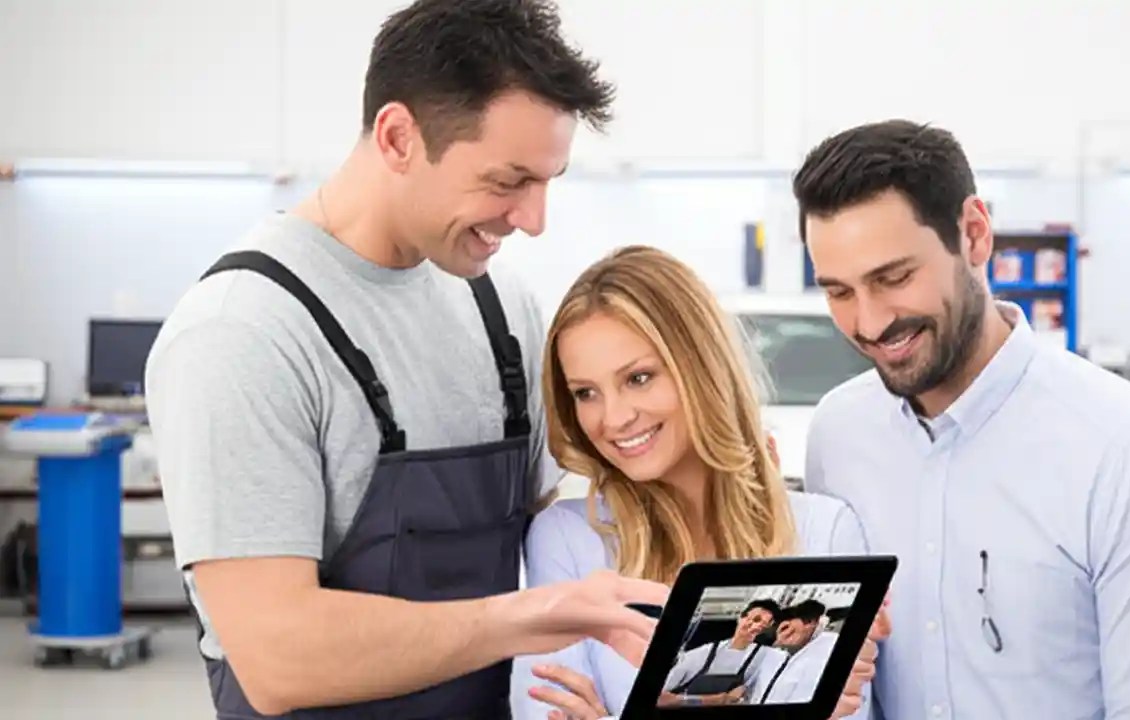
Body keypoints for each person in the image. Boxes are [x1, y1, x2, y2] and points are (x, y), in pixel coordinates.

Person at [144, 2, 668, 718]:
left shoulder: (501, 307)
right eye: (507, 180)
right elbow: (275, 658)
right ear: (397, 138)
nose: (535, 220)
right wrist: (538, 615)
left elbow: (562, 537)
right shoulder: (245, 332)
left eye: (548, 181)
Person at [794, 119, 1130, 719]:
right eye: (839, 291)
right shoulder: (839, 435)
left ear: (973, 235)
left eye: (893, 278)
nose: (868, 322)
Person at [510, 245, 889, 720]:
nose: (614, 418)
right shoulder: (567, 539)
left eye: (639, 378)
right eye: (586, 393)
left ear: (700, 368)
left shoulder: (825, 531)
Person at [661, 599, 786, 707]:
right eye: (755, 619)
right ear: (741, 617)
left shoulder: (765, 657)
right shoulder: (701, 655)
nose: (757, 627)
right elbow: (661, 699)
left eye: (764, 626)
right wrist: (718, 700)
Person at [753, 600, 841, 705]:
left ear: (811, 622)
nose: (782, 634)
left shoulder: (827, 646)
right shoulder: (781, 656)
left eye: (786, 627)